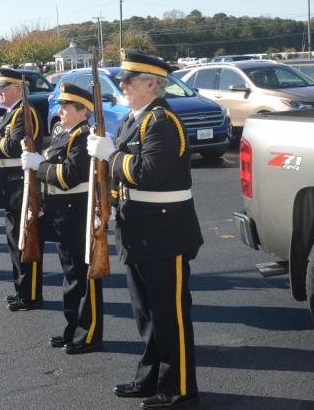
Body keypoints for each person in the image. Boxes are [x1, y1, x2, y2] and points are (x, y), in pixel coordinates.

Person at [87, 50, 203, 409]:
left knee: (170, 316)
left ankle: (180, 388)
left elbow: (150, 171)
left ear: (152, 83)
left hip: (165, 232)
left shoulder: (162, 121)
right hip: (137, 229)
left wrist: (111, 156)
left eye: (129, 80)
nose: (122, 85)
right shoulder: (130, 120)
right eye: (123, 80)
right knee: (147, 314)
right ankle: (149, 379)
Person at [21, 83, 103, 354]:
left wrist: (39, 166)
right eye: (61, 106)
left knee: (82, 276)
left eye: (66, 107)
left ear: (83, 112)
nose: (60, 111)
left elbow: (68, 176)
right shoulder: (65, 134)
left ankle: (88, 334)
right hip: (62, 215)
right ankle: (73, 330)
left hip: (76, 213)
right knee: (70, 278)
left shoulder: (82, 137)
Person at [0, 68, 44, 311]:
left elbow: (15, 147)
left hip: (21, 183)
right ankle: (21, 290)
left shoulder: (24, 113)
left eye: (3, 88)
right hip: (10, 183)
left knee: (26, 239)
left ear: (17, 88)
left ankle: (31, 293)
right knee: (14, 239)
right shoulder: (9, 114)